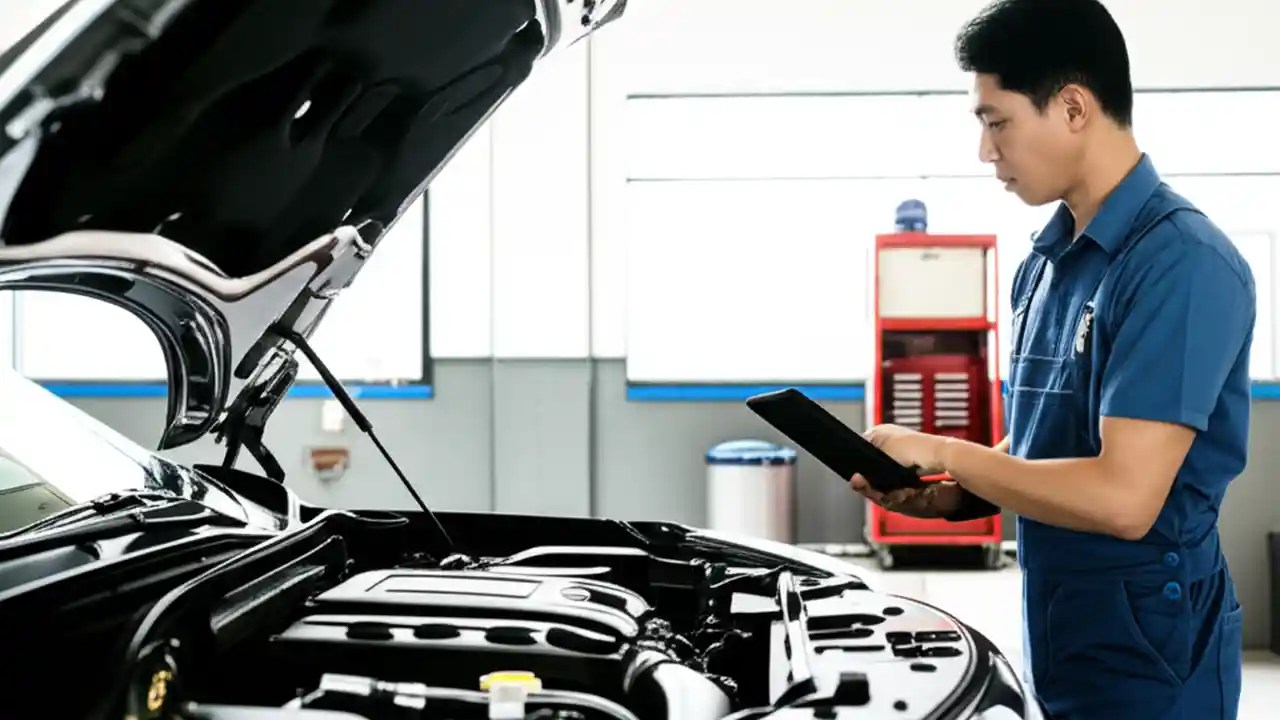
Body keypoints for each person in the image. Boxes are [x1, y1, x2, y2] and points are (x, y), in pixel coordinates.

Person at [848, 1, 1253, 718]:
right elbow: (1040, 444)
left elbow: (1125, 499)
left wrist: (947, 448)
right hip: (1065, 633)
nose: (985, 152)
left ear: (1071, 108)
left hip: (1155, 659)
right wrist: (951, 490)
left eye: (995, 121)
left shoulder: (1181, 264)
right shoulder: (1046, 263)